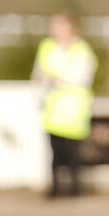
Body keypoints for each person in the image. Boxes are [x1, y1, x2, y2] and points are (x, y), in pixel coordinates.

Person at [31, 11, 95, 199]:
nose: (54, 29)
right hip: (53, 110)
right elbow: (38, 73)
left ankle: (75, 188)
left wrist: (58, 80)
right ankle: (56, 189)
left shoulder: (82, 49)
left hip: (75, 110)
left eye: (59, 24)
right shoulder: (47, 47)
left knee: (72, 153)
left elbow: (83, 78)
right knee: (55, 153)